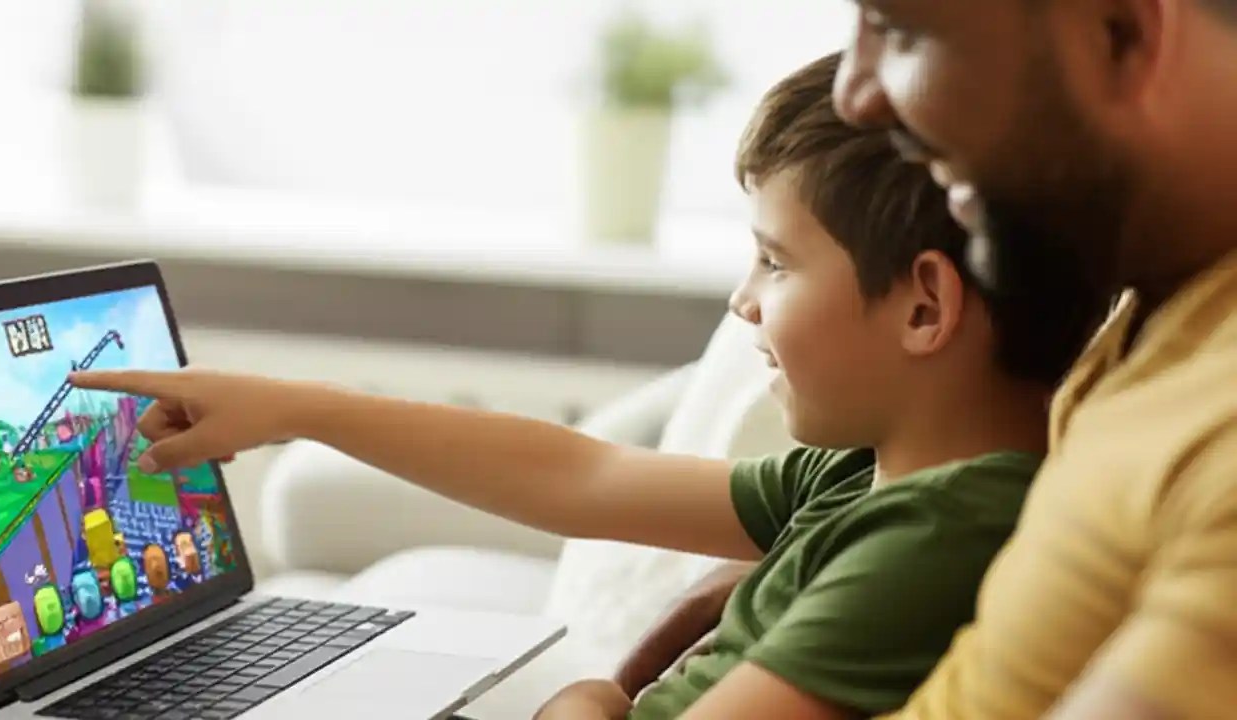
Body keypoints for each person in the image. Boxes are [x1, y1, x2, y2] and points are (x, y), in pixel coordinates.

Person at [69, 52, 1107, 720]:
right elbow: (582, 476)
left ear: (923, 307)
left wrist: (584, 705)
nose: (744, 303)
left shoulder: (934, 540)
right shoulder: (867, 476)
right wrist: (297, 405)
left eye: (775, 263)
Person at [624, 2, 1237, 718]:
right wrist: (800, 584)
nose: (857, 93)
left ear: (1121, 33)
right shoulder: (1155, 321)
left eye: (905, 31)